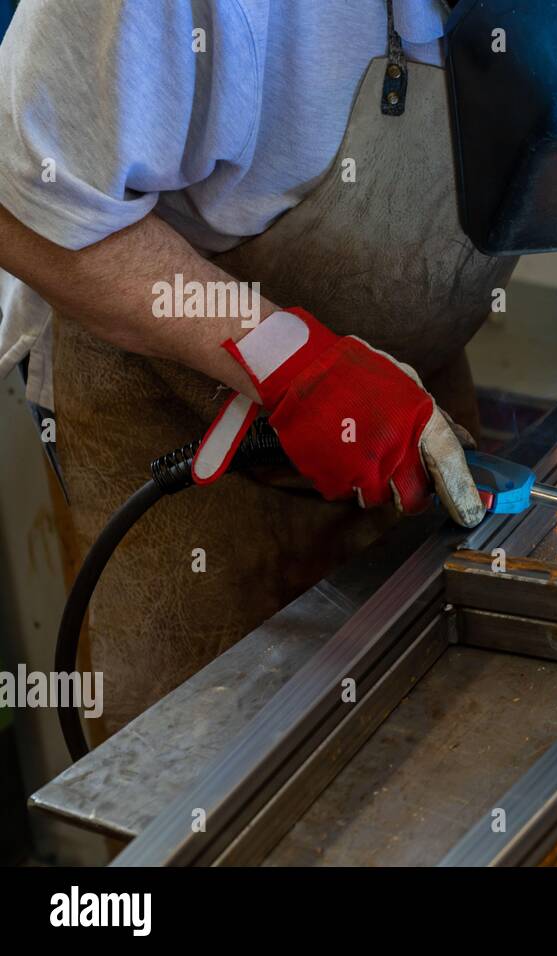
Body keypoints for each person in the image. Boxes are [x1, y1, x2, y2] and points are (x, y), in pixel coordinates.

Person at [0, 0, 511, 737]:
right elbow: (25, 209)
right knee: (205, 761)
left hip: (409, 398)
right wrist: (293, 366)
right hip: (169, 423)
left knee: (416, 736)